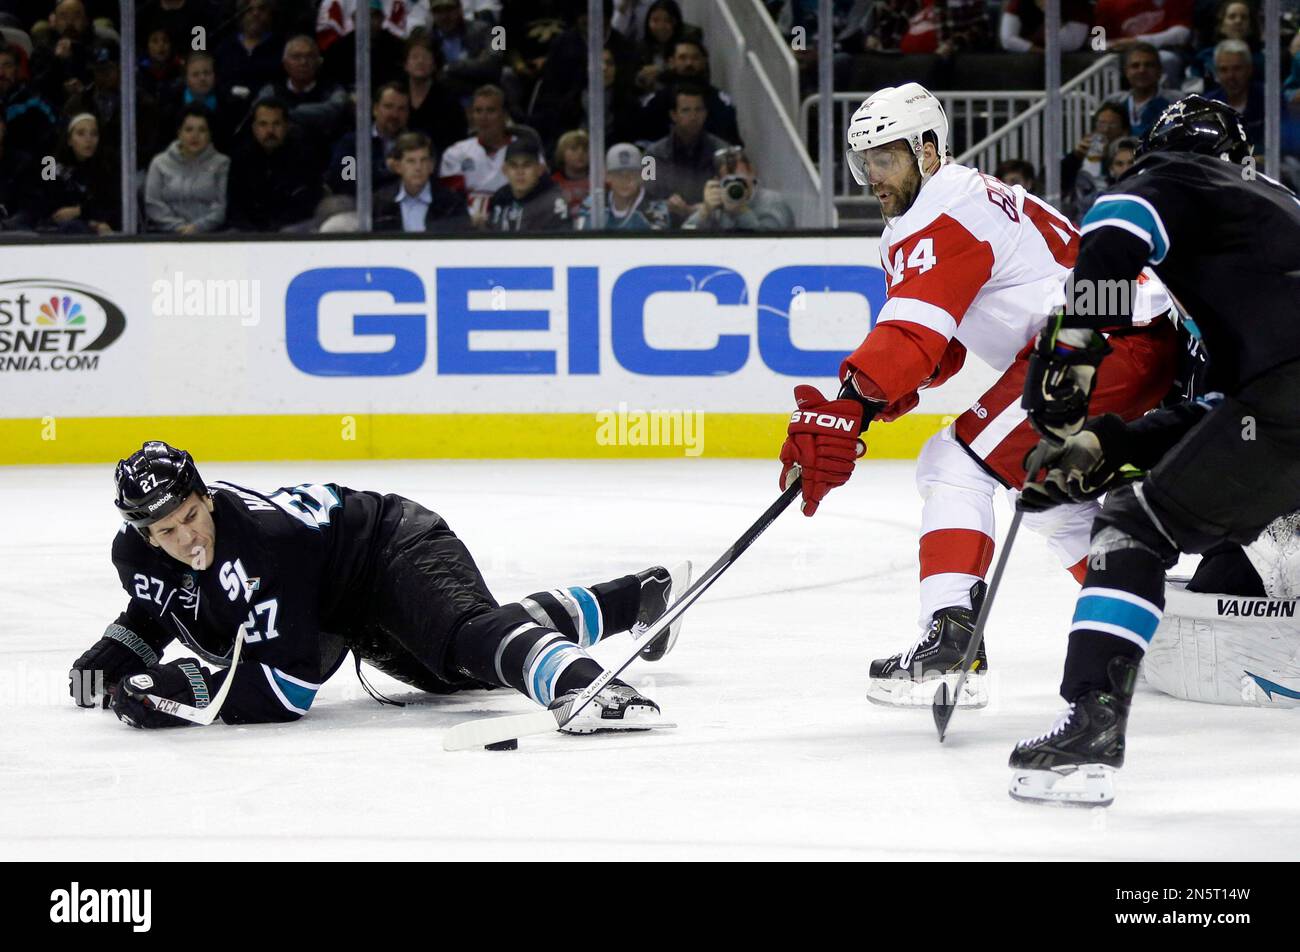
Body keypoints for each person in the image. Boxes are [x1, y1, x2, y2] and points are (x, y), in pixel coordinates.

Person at [772, 84, 1179, 710]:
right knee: (1058, 504)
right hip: (1123, 337)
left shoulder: (948, 209)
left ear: (928, 151)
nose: (874, 177)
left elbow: (912, 334)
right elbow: (939, 345)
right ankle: (1162, 630)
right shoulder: (938, 210)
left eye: (887, 158)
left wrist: (849, 405)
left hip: (1098, 341)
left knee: (953, 461)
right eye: (865, 163)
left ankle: (951, 637)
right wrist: (864, 405)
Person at [1008, 96, 1300, 805]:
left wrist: (1073, 354)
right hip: (1279, 409)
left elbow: (1116, 227)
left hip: (1287, 405)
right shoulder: (1274, 213)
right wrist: (1108, 447)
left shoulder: (1178, 177)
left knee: (1135, 529)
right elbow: (1219, 416)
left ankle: (1091, 726)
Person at [70, 441, 690, 731]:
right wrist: (124, 651)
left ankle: (591, 687)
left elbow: (282, 693)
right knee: (460, 674)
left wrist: (172, 690)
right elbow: (164, 606)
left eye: (190, 518)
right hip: (338, 604)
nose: (186, 538)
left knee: (465, 638)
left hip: (390, 547)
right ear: (143, 536)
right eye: (165, 531)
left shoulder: (263, 544)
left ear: (207, 498)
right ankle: (635, 600)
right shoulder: (140, 555)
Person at [226, 97, 324, 232]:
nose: (270, 131)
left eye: (276, 124)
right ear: (254, 128)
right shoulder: (240, 157)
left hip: (291, 228)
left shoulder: (304, 155)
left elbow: (307, 202)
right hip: (250, 230)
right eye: (263, 124)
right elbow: (235, 204)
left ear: (287, 126)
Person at [644, 83, 731, 224]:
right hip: (666, 231)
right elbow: (644, 199)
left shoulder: (723, 152)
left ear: (706, 113)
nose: (693, 116)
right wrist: (666, 205)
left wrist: (699, 209)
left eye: (698, 110)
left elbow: (733, 200)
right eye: (686, 110)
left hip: (711, 230)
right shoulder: (651, 155)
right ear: (673, 115)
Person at [255, 35, 350, 155]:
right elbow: (261, 110)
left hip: (324, 154)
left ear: (318, 61)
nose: (303, 62)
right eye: (296, 57)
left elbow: (335, 109)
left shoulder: (332, 89)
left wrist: (288, 114)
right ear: (285, 63)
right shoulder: (272, 90)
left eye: (309, 56)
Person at [144, 105, 231, 233]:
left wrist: (197, 228)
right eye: (189, 129)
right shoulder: (159, 163)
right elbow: (153, 204)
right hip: (166, 237)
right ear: (179, 133)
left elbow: (220, 207)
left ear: (210, 134)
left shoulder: (222, 163)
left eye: (202, 130)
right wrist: (179, 227)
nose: (195, 136)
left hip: (210, 237)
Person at [636, 38, 740, 145]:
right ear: (671, 62)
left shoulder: (718, 100)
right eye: (682, 58)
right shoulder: (657, 100)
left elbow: (730, 142)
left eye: (695, 58)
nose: (689, 63)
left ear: (704, 62)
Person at [438, 83, 516, 222]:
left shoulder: (525, 149)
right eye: (478, 111)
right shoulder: (455, 153)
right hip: (467, 229)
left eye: (490, 110)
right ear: (471, 115)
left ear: (504, 115)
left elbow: (536, 197)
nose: (483, 117)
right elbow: (452, 203)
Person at [34, 111, 118, 233]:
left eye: (94, 134)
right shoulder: (49, 163)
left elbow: (110, 205)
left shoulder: (107, 166)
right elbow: (44, 201)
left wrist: (80, 212)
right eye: (81, 134)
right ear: (69, 140)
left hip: (91, 227)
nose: (88, 140)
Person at [373, 130, 468, 232]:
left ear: (431, 166)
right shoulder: (380, 203)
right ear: (398, 167)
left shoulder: (451, 204)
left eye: (423, 160)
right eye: (411, 161)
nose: (418, 167)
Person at [681, 145, 794, 231]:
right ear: (717, 182)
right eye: (728, 182)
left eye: (740, 180)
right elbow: (683, 240)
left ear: (753, 173)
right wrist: (704, 212)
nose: (735, 188)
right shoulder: (717, 206)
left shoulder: (773, 203)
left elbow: (771, 246)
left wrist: (741, 211)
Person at [327, 80, 408, 194]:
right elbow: (346, 179)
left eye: (401, 109)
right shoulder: (352, 142)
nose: (394, 114)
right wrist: (384, 168)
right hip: (358, 204)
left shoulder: (417, 143)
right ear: (375, 109)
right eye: (388, 106)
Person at [575, 140, 670, 230]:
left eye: (632, 174)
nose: (625, 180)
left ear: (641, 176)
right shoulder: (592, 205)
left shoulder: (656, 208)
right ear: (607, 176)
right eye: (618, 174)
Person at [485, 133, 569, 232]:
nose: (520, 172)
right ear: (505, 170)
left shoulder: (555, 202)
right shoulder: (499, 198)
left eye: (527, 165)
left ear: (540, 170)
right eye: (513, 166)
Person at [400, 33, 466, 153]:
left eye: (426, 57)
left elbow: (455, 141)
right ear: (406, 65)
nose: (420, 61)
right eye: (415, 57)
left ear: (434, 65)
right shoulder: (397, 95)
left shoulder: (448, 99)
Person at [1104, 44, 1177, 141]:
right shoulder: (1113, 101)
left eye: (1149, 65)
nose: (1142, 70)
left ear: (1159, 70)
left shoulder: (1176, 101)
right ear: (1126, 71)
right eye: (1135, 66)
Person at [214, 0, 283, 97]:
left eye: (262, 9)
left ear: (269, 13)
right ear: (241, 14)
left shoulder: (280, 46)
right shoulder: (225, 47)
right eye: (249, 9)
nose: (256, 14)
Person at [1204, 38, 1265, 147]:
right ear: (1216, 73)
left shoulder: (1268, 99)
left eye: (1237, 69)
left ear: (1249, 69)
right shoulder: (1208, 105)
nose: (1231, 76)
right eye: (1224, 70)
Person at [998, 0, 1090, 52]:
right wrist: (1036, 50)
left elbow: (1070, 43)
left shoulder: (1075, 4)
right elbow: (1007, 40)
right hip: (1029, 58)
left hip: (1068, 61)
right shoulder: (1018, 3)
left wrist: (1049, 10)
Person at [550, 128, 589, 217]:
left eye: (585, 149)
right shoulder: (552, 183)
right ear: (561, 153)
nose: (581, 152)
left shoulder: (599, 181)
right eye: (574, 148)